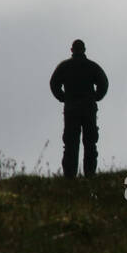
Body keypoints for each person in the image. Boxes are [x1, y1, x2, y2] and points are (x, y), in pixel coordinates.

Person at [49, 39, 109, 178]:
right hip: (88, 109)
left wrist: (63, 97)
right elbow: (103, 83)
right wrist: (96, 97)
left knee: (71, 144)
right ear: (84, 49)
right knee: (90, 143)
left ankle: (70, 176)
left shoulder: (64, 66)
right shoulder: (91, 66)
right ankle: (90, 175)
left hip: (71, 109)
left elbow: (54, 84)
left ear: (72, 50)